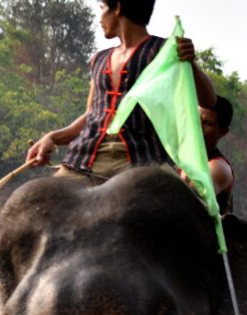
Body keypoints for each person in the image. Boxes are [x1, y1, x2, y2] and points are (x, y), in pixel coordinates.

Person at [26, 0, 216, 181]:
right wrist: (52, 137)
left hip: (142, 157)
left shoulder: (165, 52)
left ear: (117, 7)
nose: (100, 18)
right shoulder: (98, 59)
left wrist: (190, 63)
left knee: (184, 200)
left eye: (102, 8)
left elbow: (208, 101)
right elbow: (91, 115)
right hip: (85, 157)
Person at [200, 95, 235, 215]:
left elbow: (188, 198)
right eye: (194, 119)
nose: (197, 127)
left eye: (207, 123)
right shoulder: (178, 156)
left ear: (223, 132)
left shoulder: (219, 167)